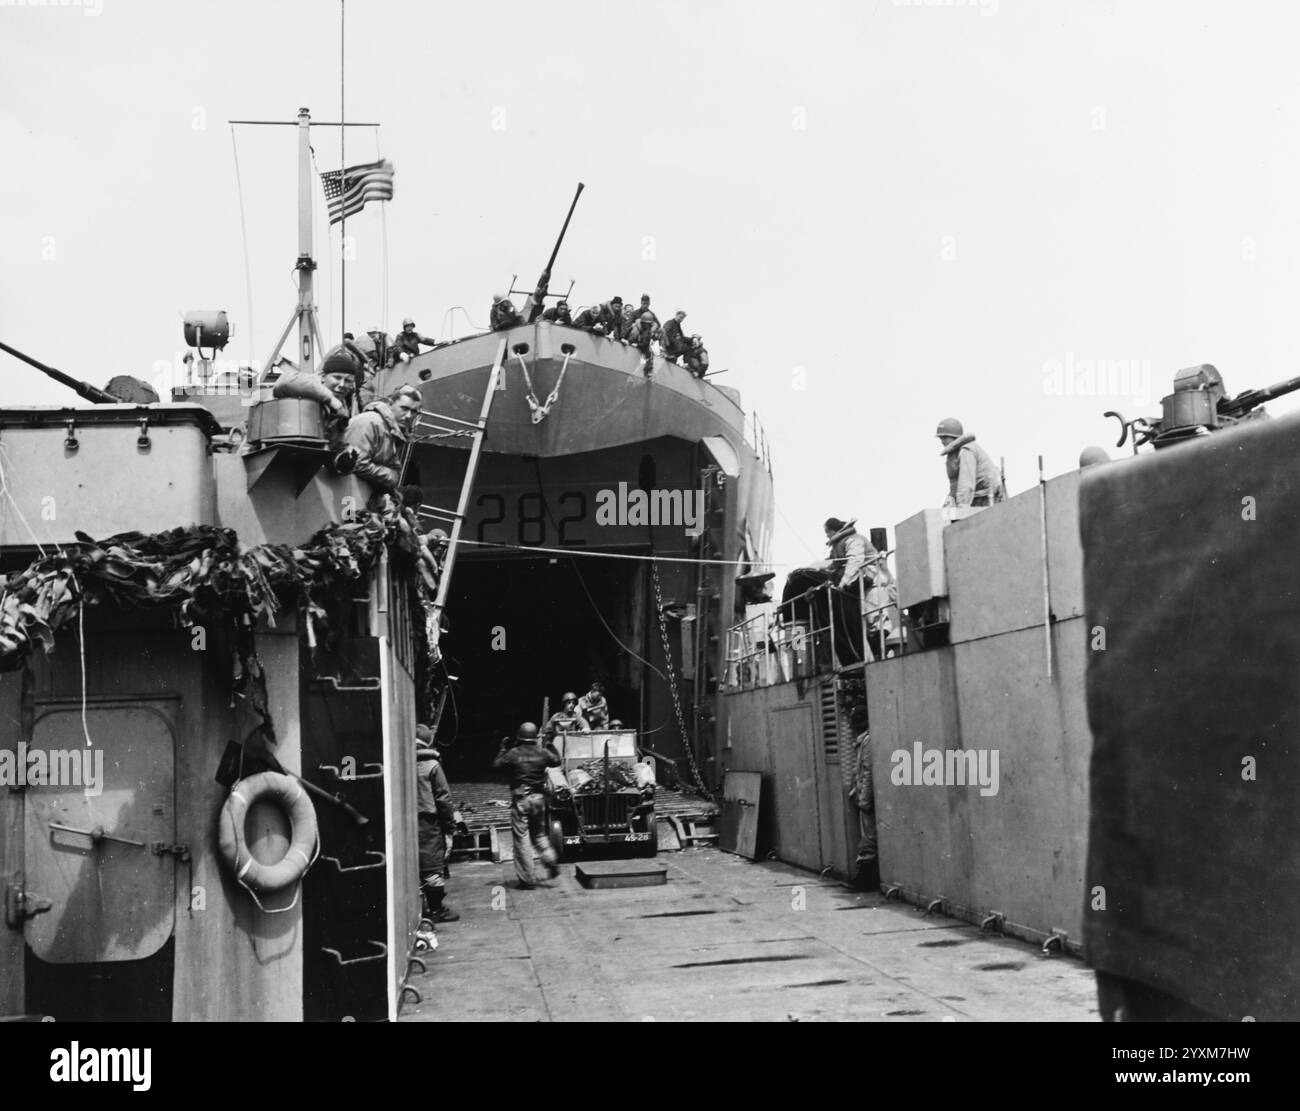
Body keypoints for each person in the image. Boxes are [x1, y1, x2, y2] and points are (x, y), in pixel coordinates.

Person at [493, 722, 561, 888]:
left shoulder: (513, 753)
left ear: (519, 736)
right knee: (539, 835)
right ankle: (550, 860)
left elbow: (497, 765)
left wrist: (503, 747)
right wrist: (550, 744)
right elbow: (556, 761)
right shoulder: (543, 752)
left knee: (522, 839)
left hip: (521, 800)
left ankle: (527, 879)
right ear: (534, 737)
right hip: (539, 800)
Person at [341, 384, 421, 491]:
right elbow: (355, 463)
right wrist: (392, 476)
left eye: (414, 412)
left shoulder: (390, 429)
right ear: (391, 404)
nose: (408, 416)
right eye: (404, 408)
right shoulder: (370, 422)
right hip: (348, 493)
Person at [416, 726, 459, 922]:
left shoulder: (400, 761)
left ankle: (420, 905)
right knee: (432, 865)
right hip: (428, 821)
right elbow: (443, 798)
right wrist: (450, 826)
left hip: (406, 820)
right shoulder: (432, 765)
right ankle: (436, 909)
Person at [273, 352, 356, 444]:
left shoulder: (343, 409)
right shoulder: (308, 383)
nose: (342, 384)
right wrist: (330, 398)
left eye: (348, 381)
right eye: (337, 378)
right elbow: (284, 382)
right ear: (323, 376)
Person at [936, 418, 1006, 509]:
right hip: (977, 499)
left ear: (954, 436)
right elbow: (955, 484)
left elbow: (966, 483)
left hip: (986, 499)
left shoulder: (967, 450)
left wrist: (962, 508)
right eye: (940, 438)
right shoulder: (954, 455)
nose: (942, 441)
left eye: (945, 437)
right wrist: (950, 501)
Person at [847, 706, 879, 891]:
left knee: (869, 839)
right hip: (864, 797)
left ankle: (863, 880)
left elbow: (867, 772)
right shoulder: (865, 740)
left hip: (867, 800)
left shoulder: (866, 742)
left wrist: (864, 799)